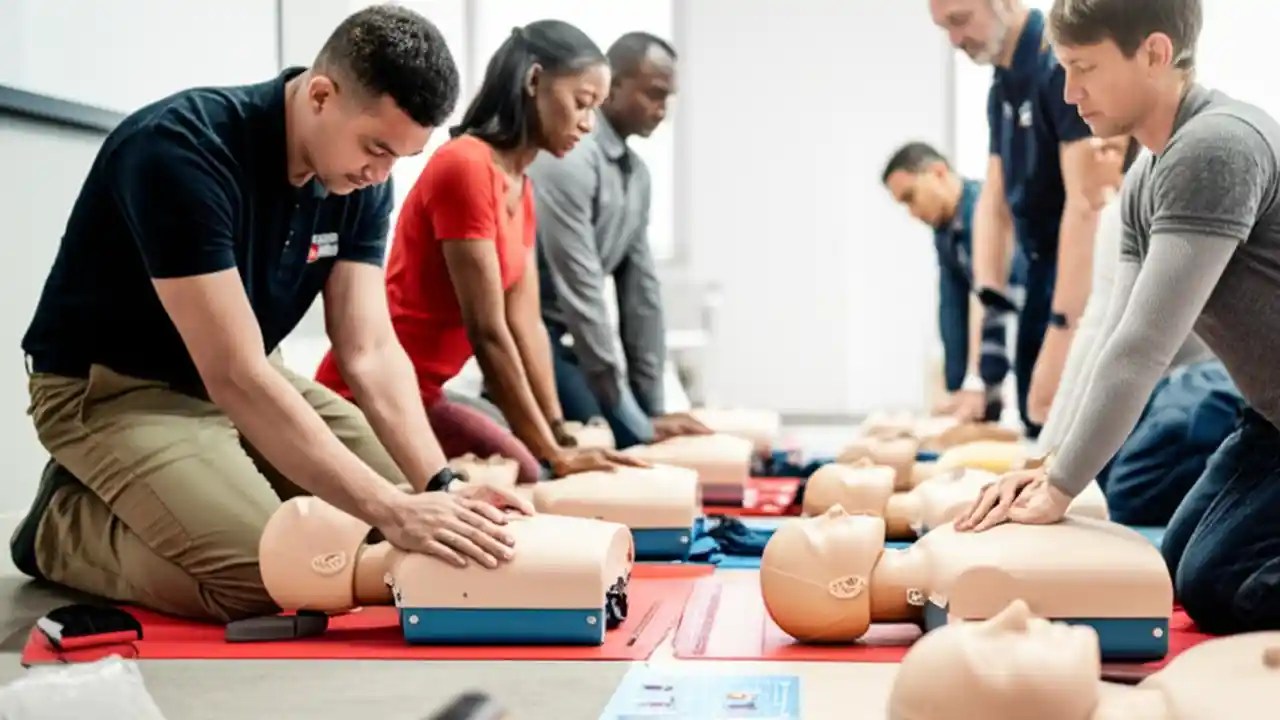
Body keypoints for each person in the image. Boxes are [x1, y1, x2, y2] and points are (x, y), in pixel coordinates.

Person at [10, 6, 536, 625]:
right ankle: (63, 526)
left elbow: (367, 350)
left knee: (406, 516)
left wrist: (438, 487)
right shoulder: (181, 150)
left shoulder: (360, 180)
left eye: (399, 157)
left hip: (253, 378)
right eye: (375, 148)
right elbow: (232, 373)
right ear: (320, 94)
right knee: (271, 582)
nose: (380, 173)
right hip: (120, 392)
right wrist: (391, 510)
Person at [958, 0, 1280, 635]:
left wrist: (1062, 487)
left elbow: (1143, 349)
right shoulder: (1148, 172)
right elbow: (1109, 334)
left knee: (1216, 587)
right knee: (1177, 563)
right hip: (1267, 419)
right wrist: (1046, 466)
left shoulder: (1217, 147)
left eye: (1085, 68)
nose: (1070, 92)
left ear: (1156, 54)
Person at [314, 20, 642, 483]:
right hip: (368, 395)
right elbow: (488, 331)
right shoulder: (466, 166)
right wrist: (550, 454)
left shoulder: (521, 188)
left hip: (426, 394)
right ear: (533, 81)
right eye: (581, 103)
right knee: (531, 473)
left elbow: (526, 326)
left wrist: (557, 433)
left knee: (537, 468)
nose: (588, 124)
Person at [1036, 134, 1245, 526]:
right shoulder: (1128, 204)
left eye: (1105, 149)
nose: (1092, 158)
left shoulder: (1128, 207)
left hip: (1203, 388)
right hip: (1187, 386)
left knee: (1127, 495)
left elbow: (1110, 336)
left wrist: (1051, 459)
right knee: (1109, 484)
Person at [527, 32, 711, 450]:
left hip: (568, 338)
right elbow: (583, 296)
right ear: (613, 87)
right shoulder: (570, 158)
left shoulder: (636, 176)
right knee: (611, 435)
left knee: (638, 432)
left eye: (669, 98)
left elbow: (641, 297)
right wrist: (634, 423)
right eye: (653, 94)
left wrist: (654, 410)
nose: (662, 109)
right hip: (527, 335)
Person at [929, 0, 1104, 436]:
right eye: (943, 27)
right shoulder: (1001, 86)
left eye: (960, 20)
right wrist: (984, 355)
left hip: (1080, 277)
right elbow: (994, 201)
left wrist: (1065, 330)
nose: (954, 40)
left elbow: (1086, 204)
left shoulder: (1059, 67)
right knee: (1032, 412)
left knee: (1059, 419)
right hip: (1043, 268)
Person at [881, 141, 1027, 422]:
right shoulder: (945, 230)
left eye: (911, 197)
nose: (912, 212)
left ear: (938, 172)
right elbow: (952, 308)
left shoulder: (982, 213)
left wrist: (976, 381)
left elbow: (986, 297)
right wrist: (957, 387)